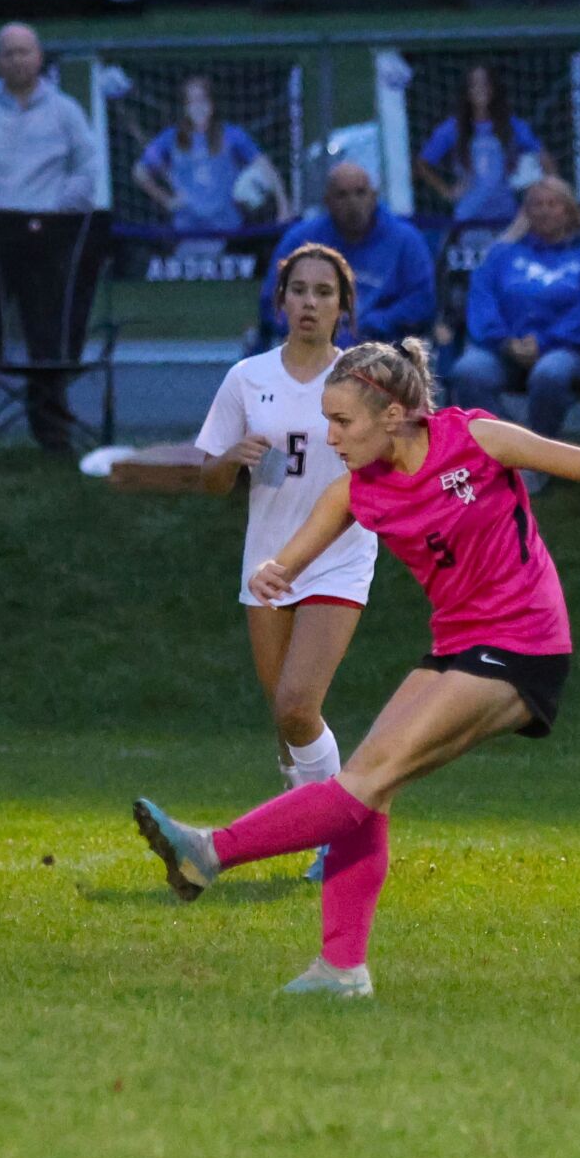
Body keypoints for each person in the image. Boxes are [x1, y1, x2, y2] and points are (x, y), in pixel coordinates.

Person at [133, 338, 580, 999]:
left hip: (524, 645)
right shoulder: (358, 492)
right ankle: (341, 970)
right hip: (458, 645)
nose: (330, 435)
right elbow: (292, 556)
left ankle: (213, 850)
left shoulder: (475, 439)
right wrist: (273, 570)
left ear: (392, 415)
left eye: (342, 421)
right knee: (365, 793)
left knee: (365, 781)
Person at [197, 244, 377, 883]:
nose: (310, 302)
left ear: (342, 306)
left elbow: (401, 461)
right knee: (286, 720)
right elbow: (212, 482)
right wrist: (229, 461)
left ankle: (342, 835)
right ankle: (313, 824)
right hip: (267, 563)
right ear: (280, 302)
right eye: (298, 290)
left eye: (324, 292)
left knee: (300, 702)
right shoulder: (247, 378)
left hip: (340, 559)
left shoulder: (365, 379)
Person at [0, 22, 99, 461]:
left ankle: (53, 432)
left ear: (40, 57)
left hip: (48, 239)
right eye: (8, 53)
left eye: (24, 52)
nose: (17, 60)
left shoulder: (65, 112)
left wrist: (58, 209)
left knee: (47, 337)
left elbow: (87, 168)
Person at [448, 177, 580, 477]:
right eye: (536, 205)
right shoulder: (503, 253)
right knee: (468, 370)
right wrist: (505, 341)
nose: (544, 211)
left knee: (549, 373)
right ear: (524, 212)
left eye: (552, 204)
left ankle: (539, 462)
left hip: (569, 348)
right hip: (505, 349)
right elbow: (482, 299)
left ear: (568, 210)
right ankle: (499, 457)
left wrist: (546, 341)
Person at [259, 163, 436, 347]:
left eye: (360, 193)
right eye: (342, 195)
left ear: (374, 197)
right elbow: (272, 301)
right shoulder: (300, 240)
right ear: (327, 201)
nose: (353, 203)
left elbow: (422, 301)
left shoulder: (406, 240)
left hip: (383, 349)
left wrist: (374, 324)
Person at [133, 75, 290, 233]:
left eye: (202, 100)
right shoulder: (171, 138)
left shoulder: (232, 135)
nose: (198, 107)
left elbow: (266, 167)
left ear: (212, 103)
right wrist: (167, 200)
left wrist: (283, 206)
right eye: (191, 101)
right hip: (187, 228)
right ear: (185, 106)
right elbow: (140, 171)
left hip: (227, 227)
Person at [415, 65, 556, 224]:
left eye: (485, 83)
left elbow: (544, 158)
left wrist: (546, 193)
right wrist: (447, 192)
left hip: (506, 219)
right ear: (467, 91)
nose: (480, 89)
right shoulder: (452, 128)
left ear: (493, 89)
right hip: (467, 220)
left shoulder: (512, 125)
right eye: (474, 84)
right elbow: (422, 164)